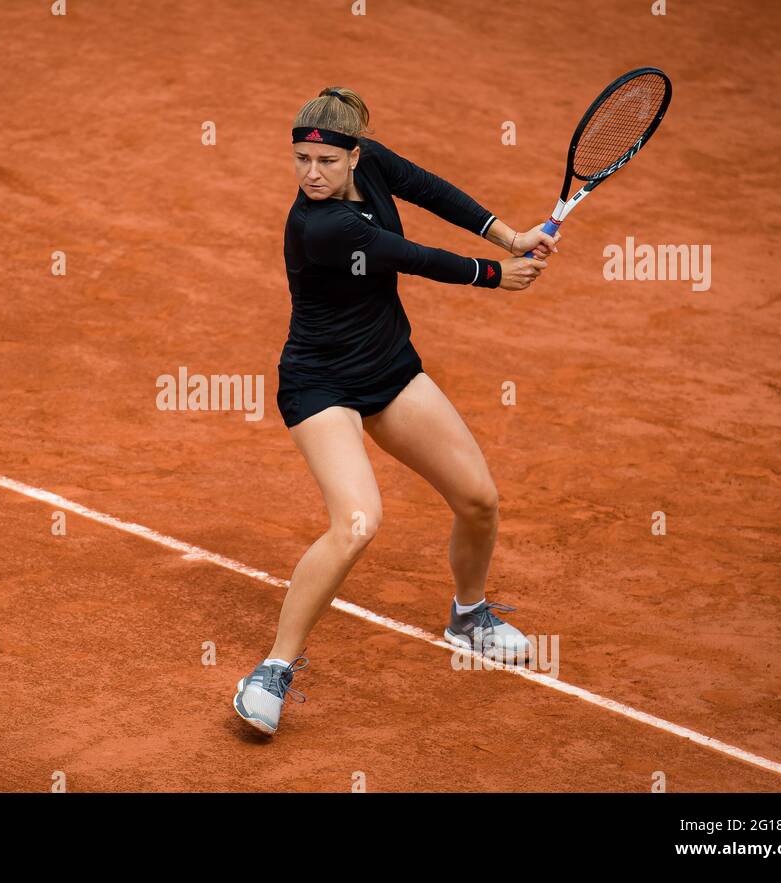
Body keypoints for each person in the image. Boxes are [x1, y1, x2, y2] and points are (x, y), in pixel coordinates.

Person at [233, 86, 560, 736]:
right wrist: (496, 274)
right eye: (300, 160)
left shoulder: (373, 162)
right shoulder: (317, 226)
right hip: (319, 385)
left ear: (354, 156)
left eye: (324, 162)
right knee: (356, 521)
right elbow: (410, 258)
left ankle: (469, 615)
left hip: (388, 369)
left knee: (479, 499)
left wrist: (509, 233)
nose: (311, 174)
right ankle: (271, 670)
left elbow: (432, 189)